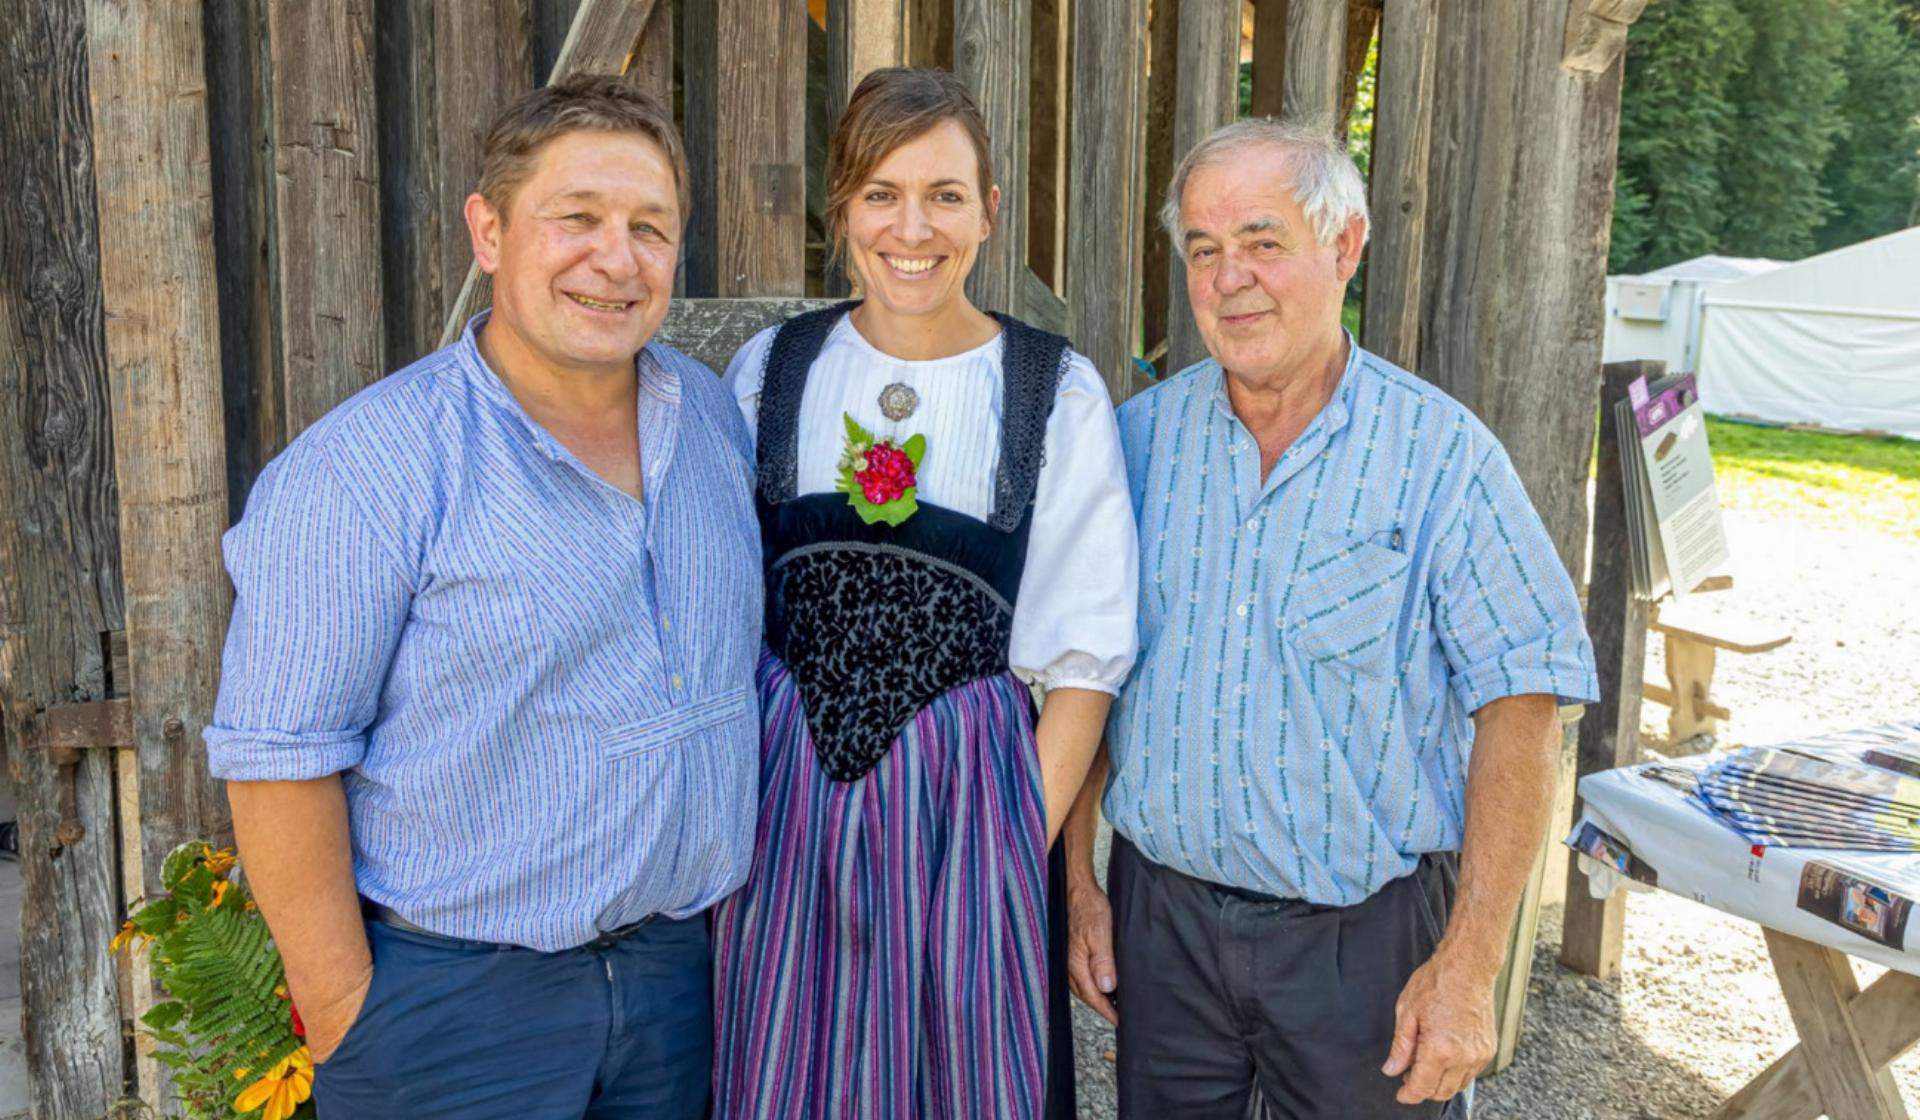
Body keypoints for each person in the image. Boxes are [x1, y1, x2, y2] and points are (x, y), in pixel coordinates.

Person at [205, 75, 761, 1119]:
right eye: (578, 218)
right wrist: (344, 1008)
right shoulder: (366, 469)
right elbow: (278, 758)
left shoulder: (713, 427)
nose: (616, 258)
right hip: (454, 1006)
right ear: (489, 231)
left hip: (680, 985)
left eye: (650, 227)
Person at [1061, 117, 1601, 1118]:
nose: (1232, 277)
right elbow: (1083, 677)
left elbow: (1522, 711)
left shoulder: (1444, 458)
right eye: (1205, 249)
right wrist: (1081, 892)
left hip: (1368, 947)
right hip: (1162, 931)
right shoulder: (1132, 447)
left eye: (1264, 241)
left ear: (1344, 246)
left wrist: (1469, 968)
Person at [710, 67, 1138, 1120]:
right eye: (883, 193)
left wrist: (1001, 854)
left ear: (989, 213)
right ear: (845, 210)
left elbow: (1083, 664)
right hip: (786, 808)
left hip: (969, 810)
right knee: (781, 1073)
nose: (914, 226)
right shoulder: (775, 370)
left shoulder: (1052, 392)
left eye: (945, 194)